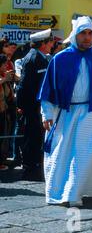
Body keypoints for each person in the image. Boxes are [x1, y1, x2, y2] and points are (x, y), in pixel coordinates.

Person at [38, 16, 92, 206]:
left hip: (91, 113)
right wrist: (46, 113)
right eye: (83, 33)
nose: (87, 37)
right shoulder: (60, 59)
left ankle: (74, 193)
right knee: (62, 153)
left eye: (90, 33)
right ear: (75, 34)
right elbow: (48, 89)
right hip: (66, 113)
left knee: (84, 154)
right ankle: (59, 191)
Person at [15, 29, 55, 181]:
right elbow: (23, 86)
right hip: (32, 107)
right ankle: (30, 169)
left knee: (37, 137)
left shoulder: (41, 57)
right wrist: (22, 106)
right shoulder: (33, 58)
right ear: (43, 43)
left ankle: (35, 167)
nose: (52, 44)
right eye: (50, 41)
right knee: (31, 138)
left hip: (37, 106)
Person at [0, 54, 14, 171]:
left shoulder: (4, 75)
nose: (6, 66)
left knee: (2, 136)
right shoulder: (3, 77)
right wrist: (4, 79)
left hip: (3, 110)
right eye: (4, 64)